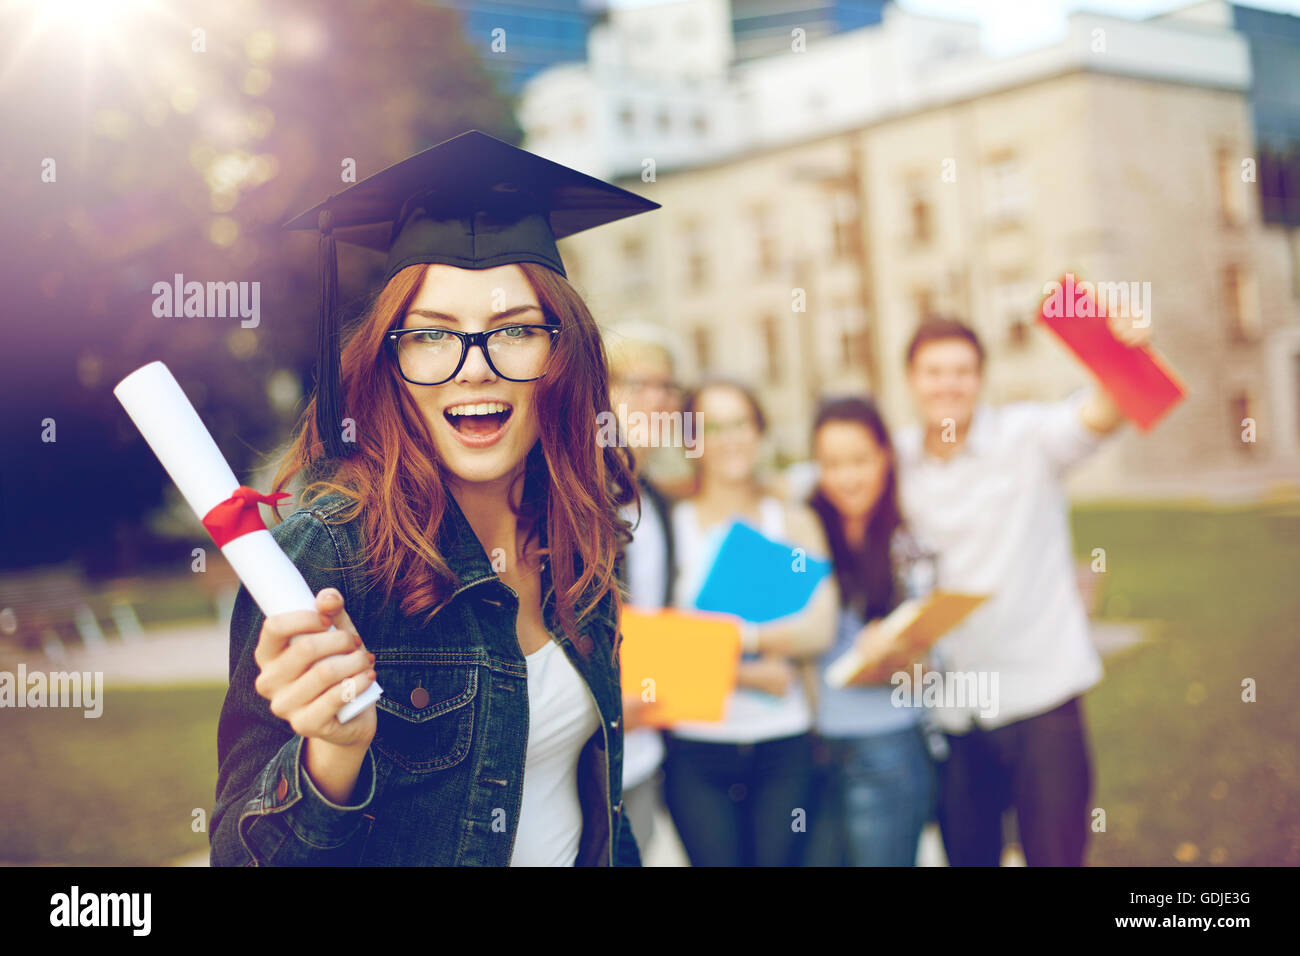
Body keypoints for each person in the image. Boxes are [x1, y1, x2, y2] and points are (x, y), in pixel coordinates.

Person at [210, 130, 660, 866]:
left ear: (563, 351)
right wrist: (333, 753)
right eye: (431, 336)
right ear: (389, 360)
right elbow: (240, 858)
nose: (473, 369)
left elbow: (593, 803)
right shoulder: (330, 555)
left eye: (514, 329)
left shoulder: (577, 529)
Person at [894, 314, 1149, 867]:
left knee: (1055, 857)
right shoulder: (898, 461)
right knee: (968, 856)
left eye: (962, 371)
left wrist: (1122, 356)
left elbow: (1104, 412)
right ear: (911, 380)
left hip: (1042, 697)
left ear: (981, 379)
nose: (948, 384)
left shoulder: (1027, 437)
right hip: (956, 710)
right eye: (934, 372)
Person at [661, 378, 837, 867]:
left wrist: (730, 639)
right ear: (691, 441)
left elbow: (820, 628)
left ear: (759, 433)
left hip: (785, 742)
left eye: (741, 423)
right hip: (697, 749)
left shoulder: (793, 521)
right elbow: (651, 646)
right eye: (712, 426)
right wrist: (751, 667)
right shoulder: (671, 526)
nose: (729, 437)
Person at [806, 395, 936, 866]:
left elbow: (930, 673)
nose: (847, 478)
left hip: (886, 751)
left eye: (860, 460)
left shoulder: (908, 544)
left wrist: (894, 657)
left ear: (886, 456)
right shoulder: (804, 528)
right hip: (810, 751)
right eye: (831, 463)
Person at [602, 323, 683, 858]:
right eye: (635, 383)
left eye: (666, 387)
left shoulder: (658, 504)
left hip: (648, 754)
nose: (654, 400)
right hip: (592, 757)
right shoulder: (576, 500)